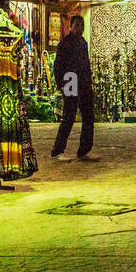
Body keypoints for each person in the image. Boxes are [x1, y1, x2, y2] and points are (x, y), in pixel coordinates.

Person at [51, 14, 97, 161]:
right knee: (69, 116)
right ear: (71, 26)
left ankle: (84, 150)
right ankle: (58, 151)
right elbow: (58, 66)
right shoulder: (65, 44)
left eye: (81, 26)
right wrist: (62, 85)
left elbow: (86, 64)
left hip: (83, 82)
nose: (79, 28)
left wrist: (89, 81)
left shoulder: (83, 43)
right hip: (70, 80)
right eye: (76, 25)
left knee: (88, 116)